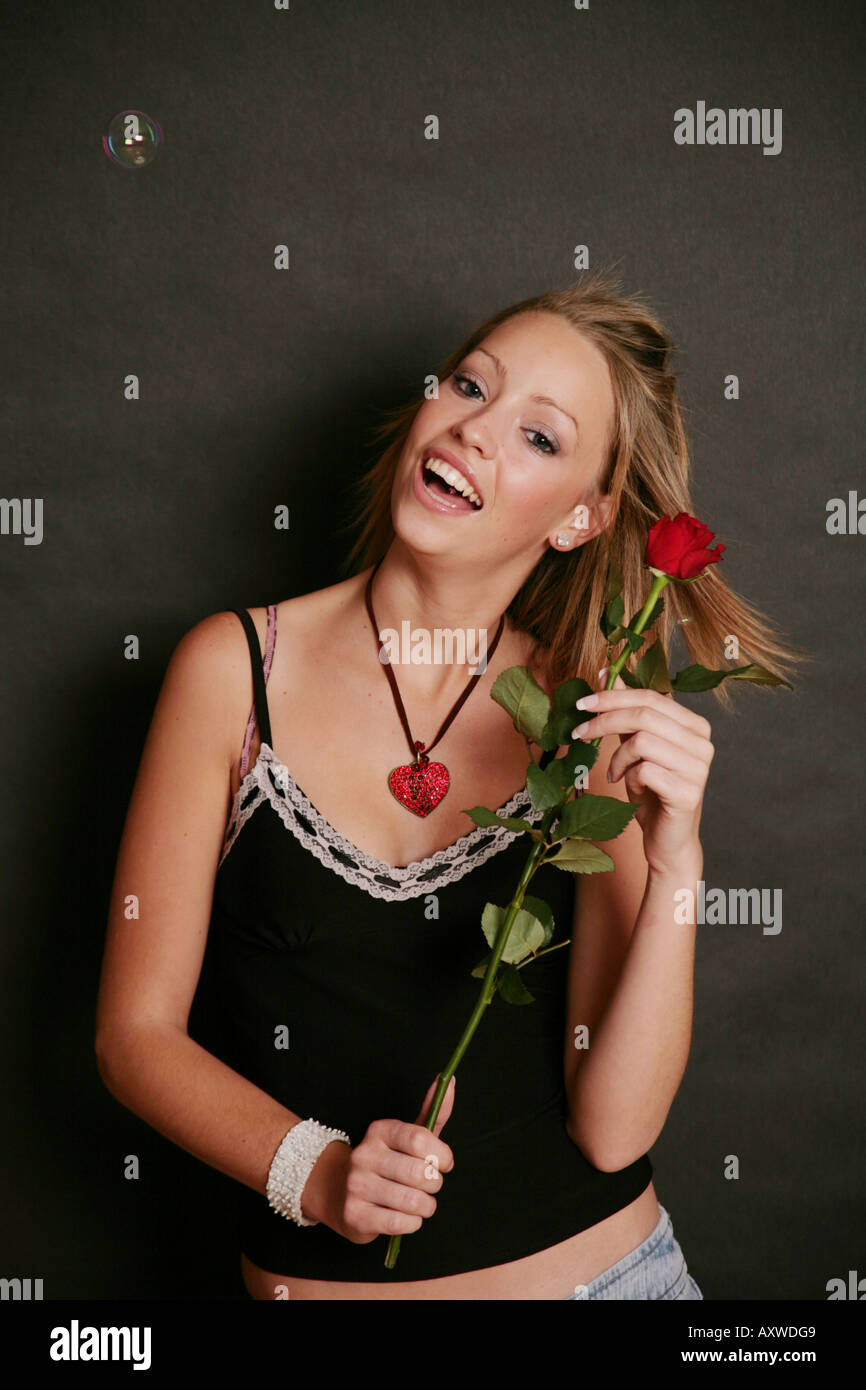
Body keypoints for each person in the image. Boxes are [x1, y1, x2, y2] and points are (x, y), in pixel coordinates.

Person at [95, 269, 799, 1300]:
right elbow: (133, 1036)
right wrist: (318, 1172)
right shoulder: (230, 671)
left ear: (581, 519)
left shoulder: (584, 716)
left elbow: (612, 1129)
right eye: (469, 387)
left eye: (538, 436)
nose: (475, 430)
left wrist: (676, 862)